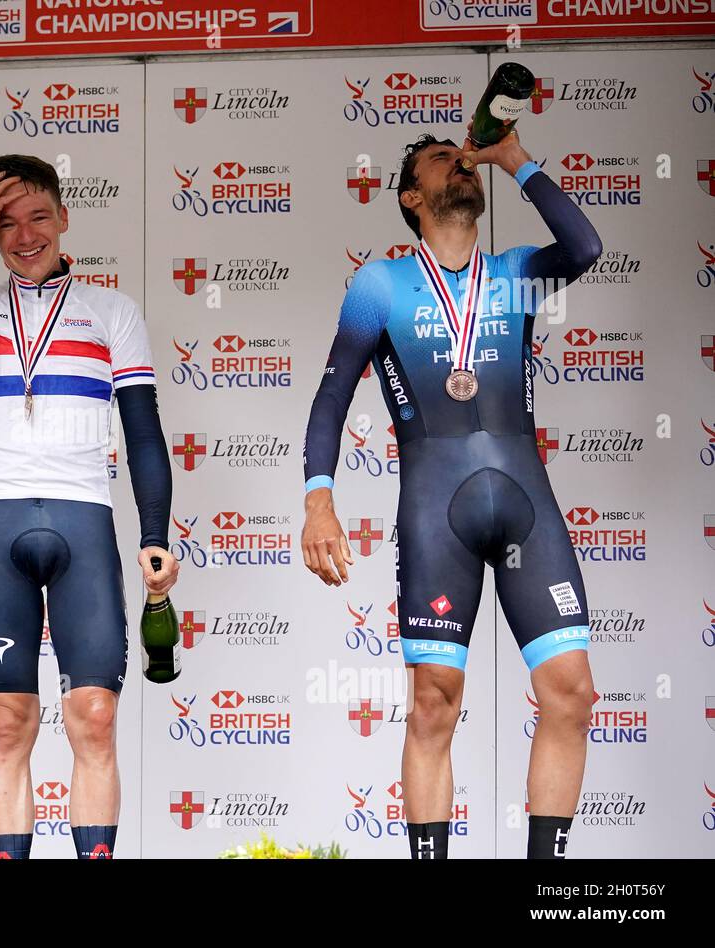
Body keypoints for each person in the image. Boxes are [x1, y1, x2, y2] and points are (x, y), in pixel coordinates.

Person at [300, 126, 602, 859]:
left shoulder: (518, 272)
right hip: (438, 509)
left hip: (524, 500)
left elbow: (586, 247)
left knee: (573, 695)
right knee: (433, 707)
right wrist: (318, 498)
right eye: (441, 161)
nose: (459, 164)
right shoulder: (381, 285)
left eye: (463, 158)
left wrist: (515, 158)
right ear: (413, 196)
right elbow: (333, 394)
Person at [0, 155, 176, 859]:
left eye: (38, 217)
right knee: (7, 726)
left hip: (84, 514)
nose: (24, 236)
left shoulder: (113, 311)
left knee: (95, 715)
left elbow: (143, 433)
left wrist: (153, 533)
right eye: (6, 224)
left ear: (65, 218)